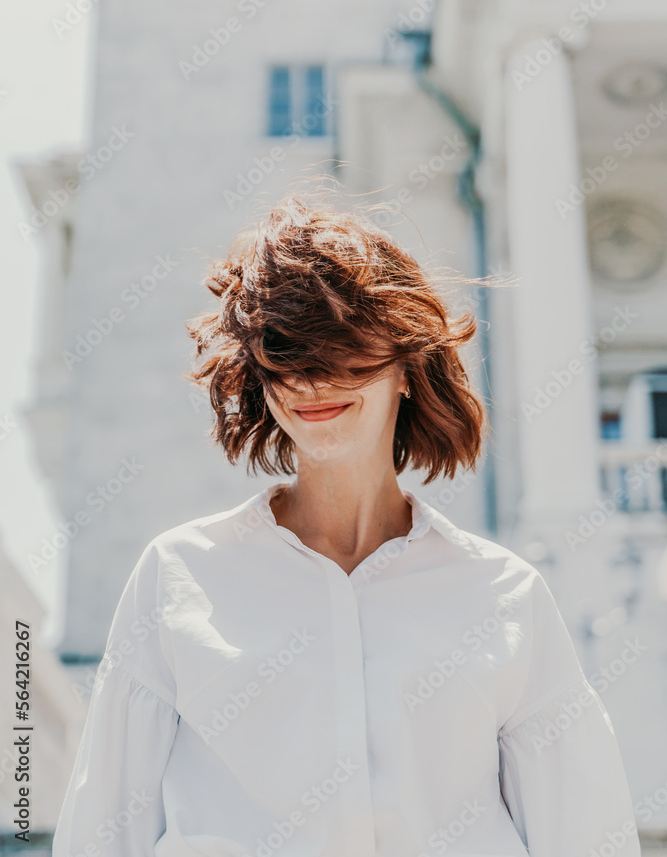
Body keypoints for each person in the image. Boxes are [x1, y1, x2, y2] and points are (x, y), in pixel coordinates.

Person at [52, 195, 640, 857]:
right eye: (283, 353)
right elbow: (103, 828)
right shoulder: (180, 576)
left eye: (340, 353)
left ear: (409, 368)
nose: (309, 381)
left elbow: (586, 836)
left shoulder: (503, 595)